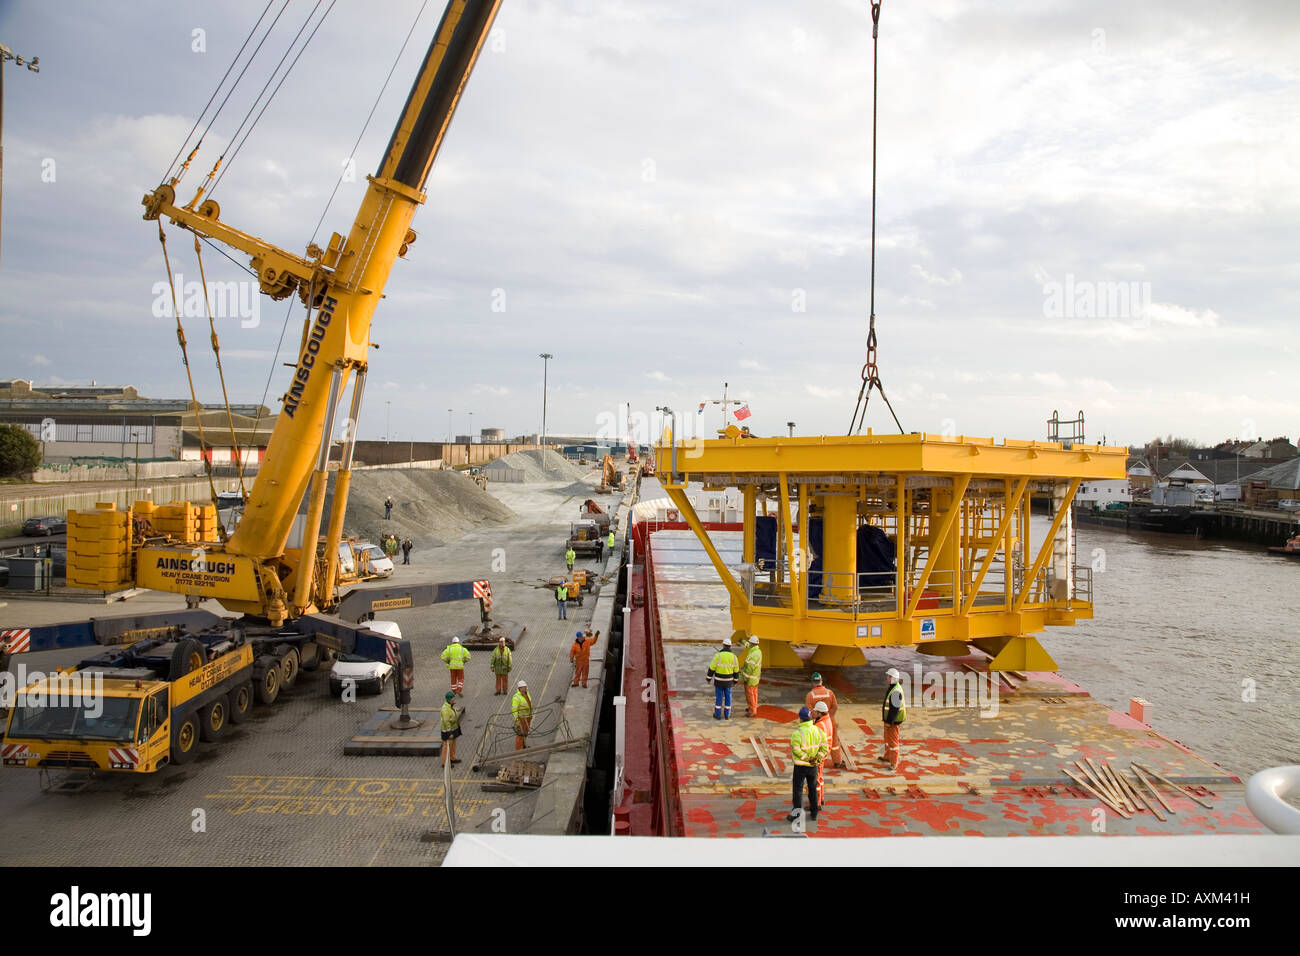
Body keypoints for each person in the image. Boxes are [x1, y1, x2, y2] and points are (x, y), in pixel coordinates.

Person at [788, 706, 828, 823]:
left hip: (801, 766)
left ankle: (797, 815)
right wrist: (817, 758)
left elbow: (796, 750)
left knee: (798, 791)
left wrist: (807, 758)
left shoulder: (797, 733)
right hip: (813, 766)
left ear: (800, 719)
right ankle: (814, 813)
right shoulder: (818, 731)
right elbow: (824, 747)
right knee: (812, 789)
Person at [805, 671, 843, 767]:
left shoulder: (810, 695)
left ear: (813, 682)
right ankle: (837, 761)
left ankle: (816, 762)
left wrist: (815, 719)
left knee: (816, 743)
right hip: (830, 722)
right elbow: (835, 706)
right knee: (834, 742)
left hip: (818, 724)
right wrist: (828, 717)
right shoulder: (829, 693)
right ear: (821, 681)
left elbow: (809, 712)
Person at [705, 636, 740, 720]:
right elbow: (736, 670)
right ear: (730, 646)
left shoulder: (718, 656)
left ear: (723, 645)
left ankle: (717, 715)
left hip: (719, 681)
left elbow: (712, 668)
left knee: (719, 697)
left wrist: (708, 678)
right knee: (728, 697)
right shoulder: (734, 657)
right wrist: (735, 680)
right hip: (728, 682)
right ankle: (727, 715)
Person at [881, 666, 906, 770]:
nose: (887, 678)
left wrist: (889, 722)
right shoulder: (893, 688)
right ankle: (887, 757)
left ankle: (893, 763)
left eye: (888, 676)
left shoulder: (895, 691)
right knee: (888, 740)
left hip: (893, 722)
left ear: (893, 678)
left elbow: (894, 710)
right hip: (889, 720)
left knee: (893, 742)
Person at [813, 700, 834, 806]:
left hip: (819, 753)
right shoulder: (827, 720)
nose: (814, 713)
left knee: (815, 778)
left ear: (819, 713)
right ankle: (821, 798)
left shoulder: (820, 725)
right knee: (820, 776)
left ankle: (816, 803)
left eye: (815, 711)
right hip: (825, 752)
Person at [739, 633, 762, 717]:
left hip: (750, 679)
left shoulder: (753, 655)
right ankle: (753, 707)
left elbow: (748, 670)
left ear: (752, 643)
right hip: (755, 678)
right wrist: (743, 641)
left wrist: (742, 678)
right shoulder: (757, 651)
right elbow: (748, 646)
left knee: (750, 695)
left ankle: (752, 711)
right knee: (754, 693)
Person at [440, 692, 462, 765]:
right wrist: (449, 733)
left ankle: (452, 758)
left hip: (453, 730)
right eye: (453, 698)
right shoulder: (445, 709)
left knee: (452, 745)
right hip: (448, 732)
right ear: (449, 700)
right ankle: (444, 763)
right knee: (446, 747)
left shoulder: (450, 706)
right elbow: (446, 722)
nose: (454, 699)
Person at [511, 680, 533, 751]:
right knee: (520, 734)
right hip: (521, 718)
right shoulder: (516, 697)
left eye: (525, 687)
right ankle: (519, 749)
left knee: (526, 732)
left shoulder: (527, 693)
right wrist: (516, 720)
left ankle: (523, 745)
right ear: (519, 688)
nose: (524, 689)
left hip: (528, 717)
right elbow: (514, 709)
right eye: (523, 687)